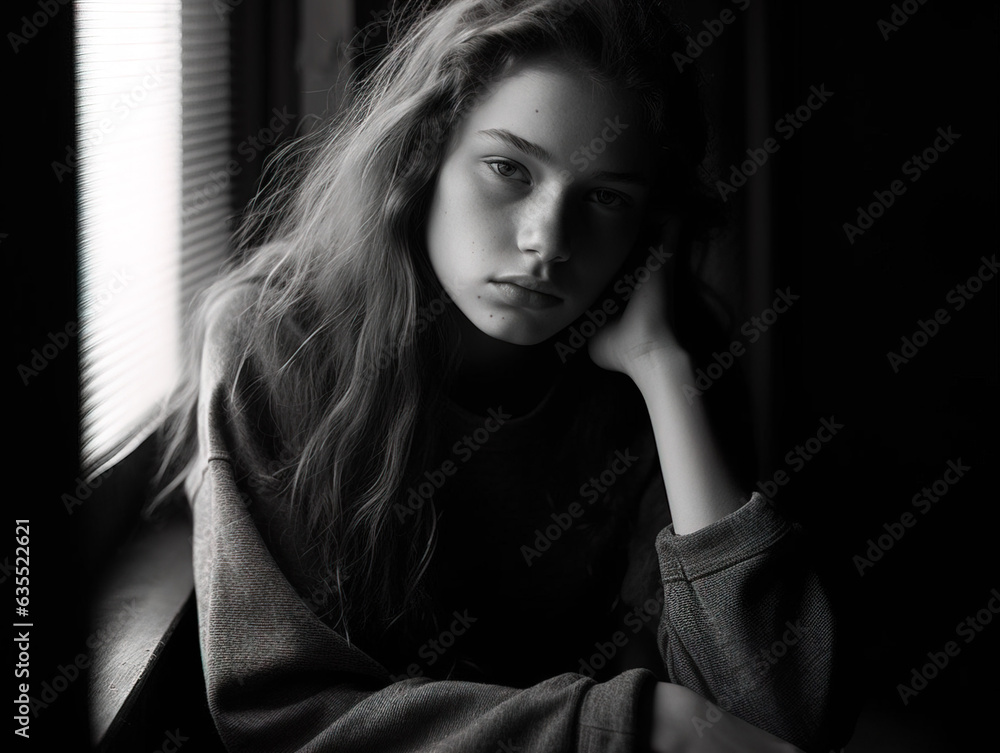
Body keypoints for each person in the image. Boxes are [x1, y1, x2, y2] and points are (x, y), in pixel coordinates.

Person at [155, 1, 854, 750]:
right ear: (421, 158)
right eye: (508, 169)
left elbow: (779, 714)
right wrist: (629, 728)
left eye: (605, 197)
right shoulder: (278, 346)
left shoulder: (663, 363)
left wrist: (660, 371)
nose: (547, 240)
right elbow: (281, 717)